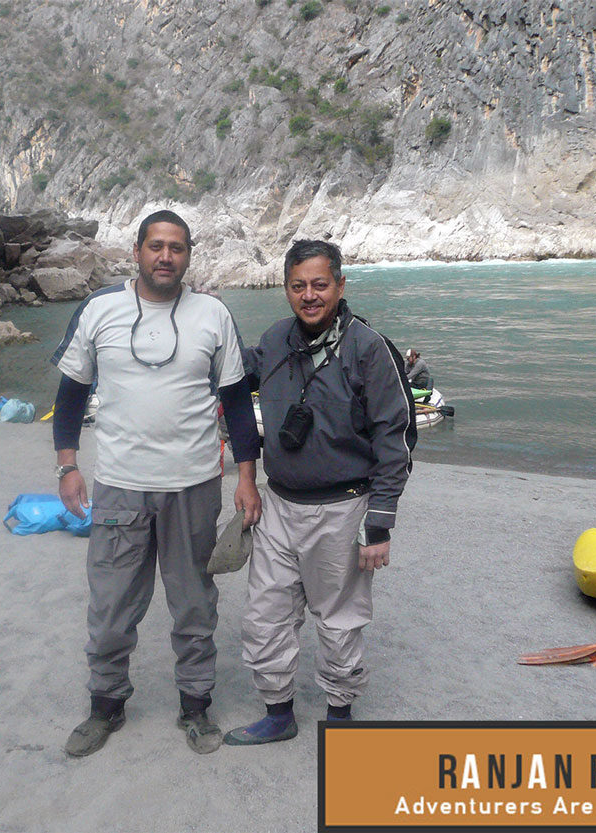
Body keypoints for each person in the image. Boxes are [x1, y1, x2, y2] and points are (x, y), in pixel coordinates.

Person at [51, 210, 262, 757]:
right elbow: (72, 391)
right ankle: (106, 707)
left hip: (193, 484)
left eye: (176, 247)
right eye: (156, 246)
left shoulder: (213, 315)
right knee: (113, 603)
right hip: (120, 484)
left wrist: (246, 477)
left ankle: (195, 707)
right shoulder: (100, 309)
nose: (165, 256)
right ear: (137, 251)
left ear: (189, 255)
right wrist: (67, 465)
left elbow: (237, 402)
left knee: (194, 604)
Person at [224, 239, 412, 745]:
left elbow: (395, 439)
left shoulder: (369, 348)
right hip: (278, 505)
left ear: (341, 285)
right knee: (265, 616)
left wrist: (380, 522)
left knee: (339, 621)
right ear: (286, 289)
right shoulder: (276, 339)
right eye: (298, 286)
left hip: (344, 509)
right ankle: (277, 714)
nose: (310, 296)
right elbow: (235, 374)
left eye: (320, 284)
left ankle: (341, 716)